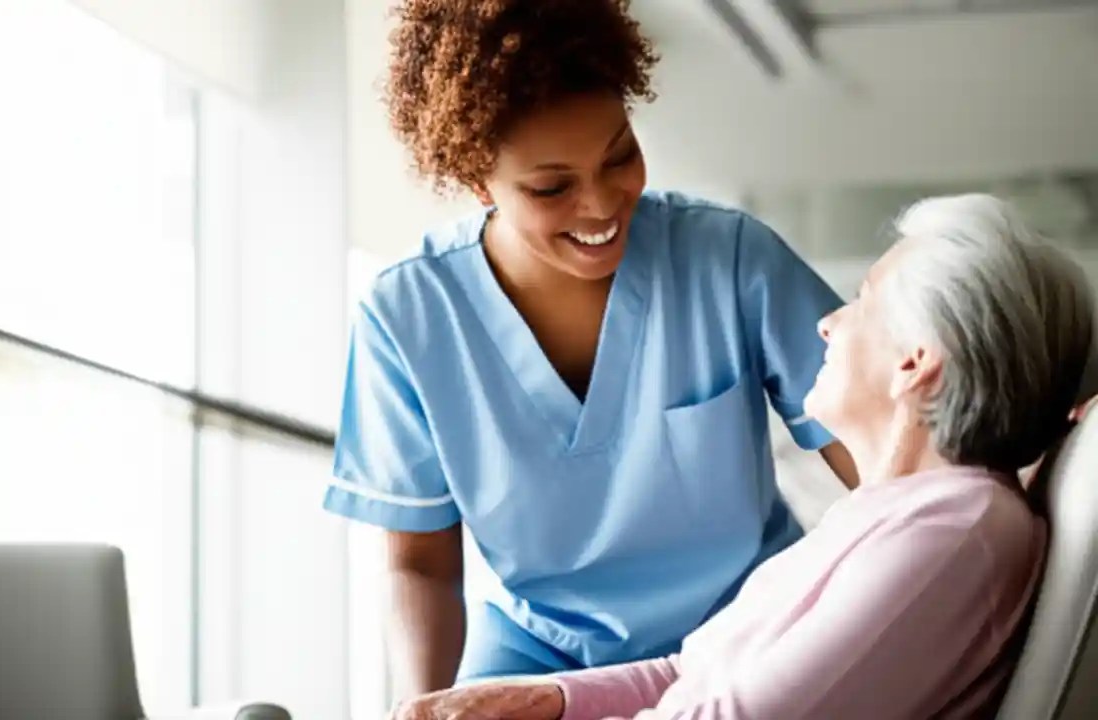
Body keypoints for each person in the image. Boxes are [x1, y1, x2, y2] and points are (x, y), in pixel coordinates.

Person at [323, 0, 857, 697]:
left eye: (620, 156)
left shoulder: (729, 258)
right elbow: (420, 565)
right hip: (541, 648)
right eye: (552, 187)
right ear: (476, 179)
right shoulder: (408, 318)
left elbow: (883, 452)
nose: (603, 204)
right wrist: (425, 705)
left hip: (750, 625)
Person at [390, 194, 1098, 719]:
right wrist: (548, 699)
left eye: (861, 301)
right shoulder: (895, 515)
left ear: (915, 361)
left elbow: (737, 719)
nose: (827, 322)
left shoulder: (957, 529)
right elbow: (696, 672)